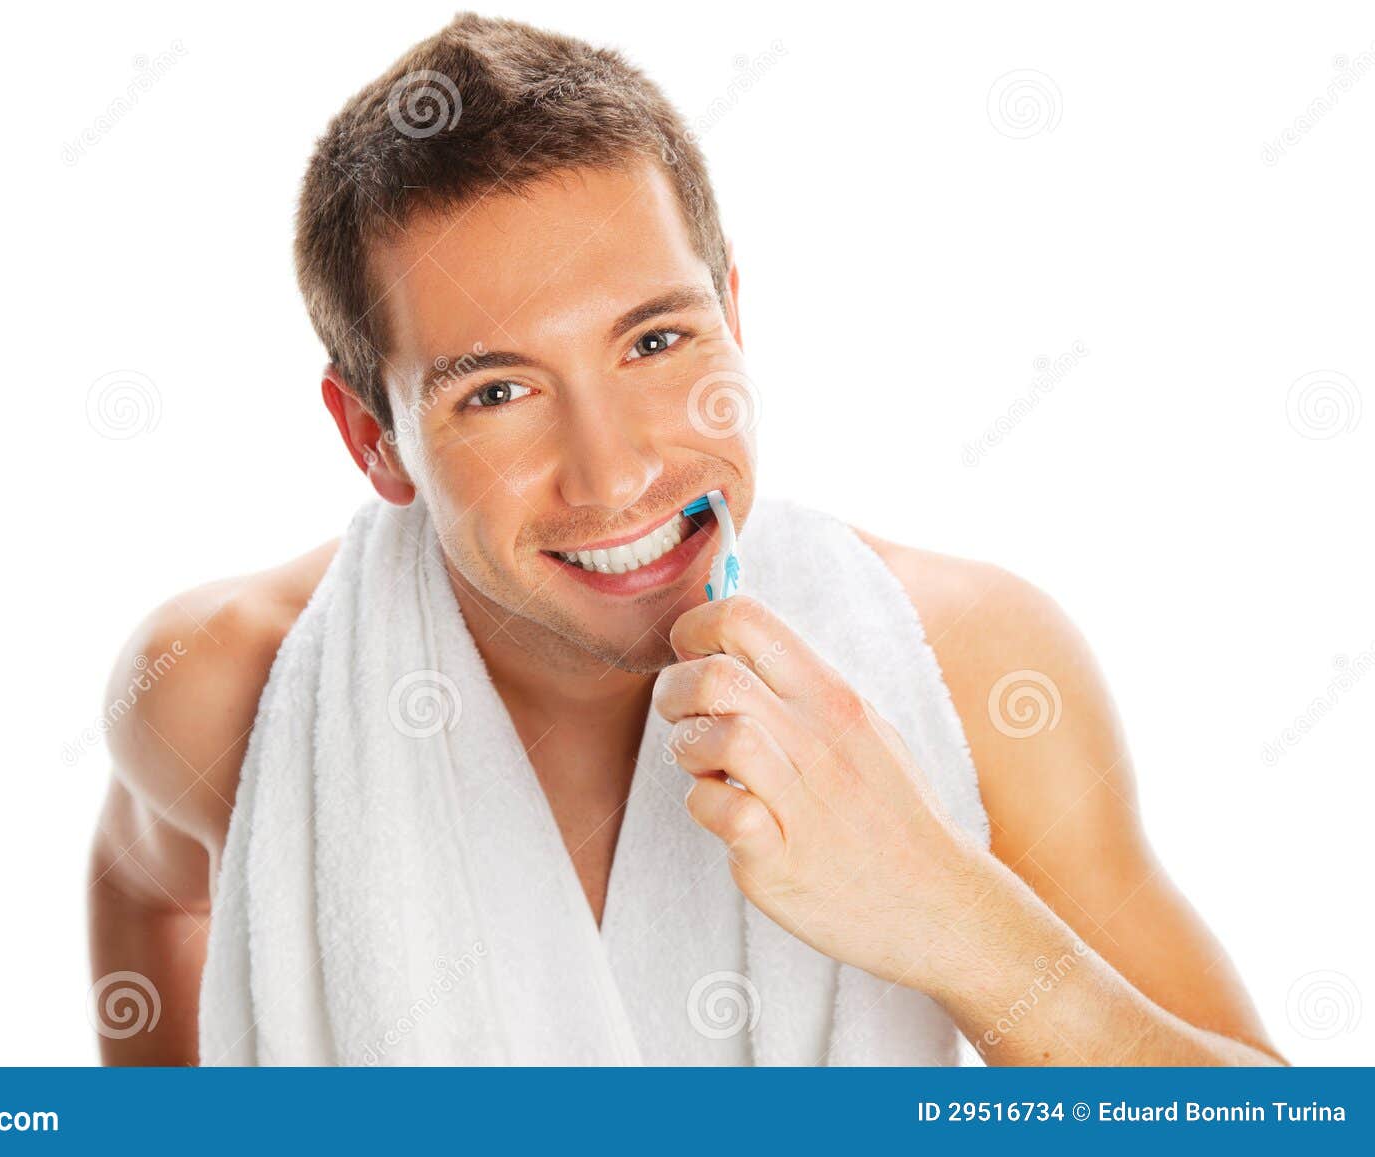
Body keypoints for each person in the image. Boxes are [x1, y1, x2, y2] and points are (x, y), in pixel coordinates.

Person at [87, 12, 1281, 1066]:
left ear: (733, 317)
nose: (620, 474)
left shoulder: (971, 666)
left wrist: (944, 910)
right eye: (495, 392)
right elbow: (151, 893)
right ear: (374, 438)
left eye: (656, 342)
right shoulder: (222, 684)